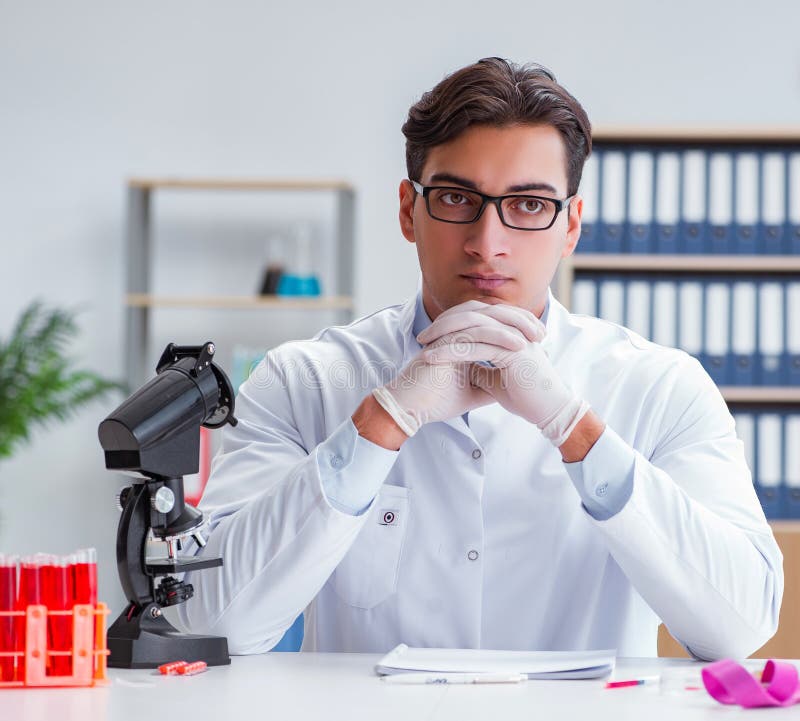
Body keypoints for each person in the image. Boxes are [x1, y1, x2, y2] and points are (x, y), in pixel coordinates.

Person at [175, 57, 783, 660]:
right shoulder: (302, 380)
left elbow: (739, 628)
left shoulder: (659, 386)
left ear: (571, 225)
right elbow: (216, 620)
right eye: (457, 197)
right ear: (409, 211)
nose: (487, 244)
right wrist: (381, 424)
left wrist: (577, 430)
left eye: (528, 205)